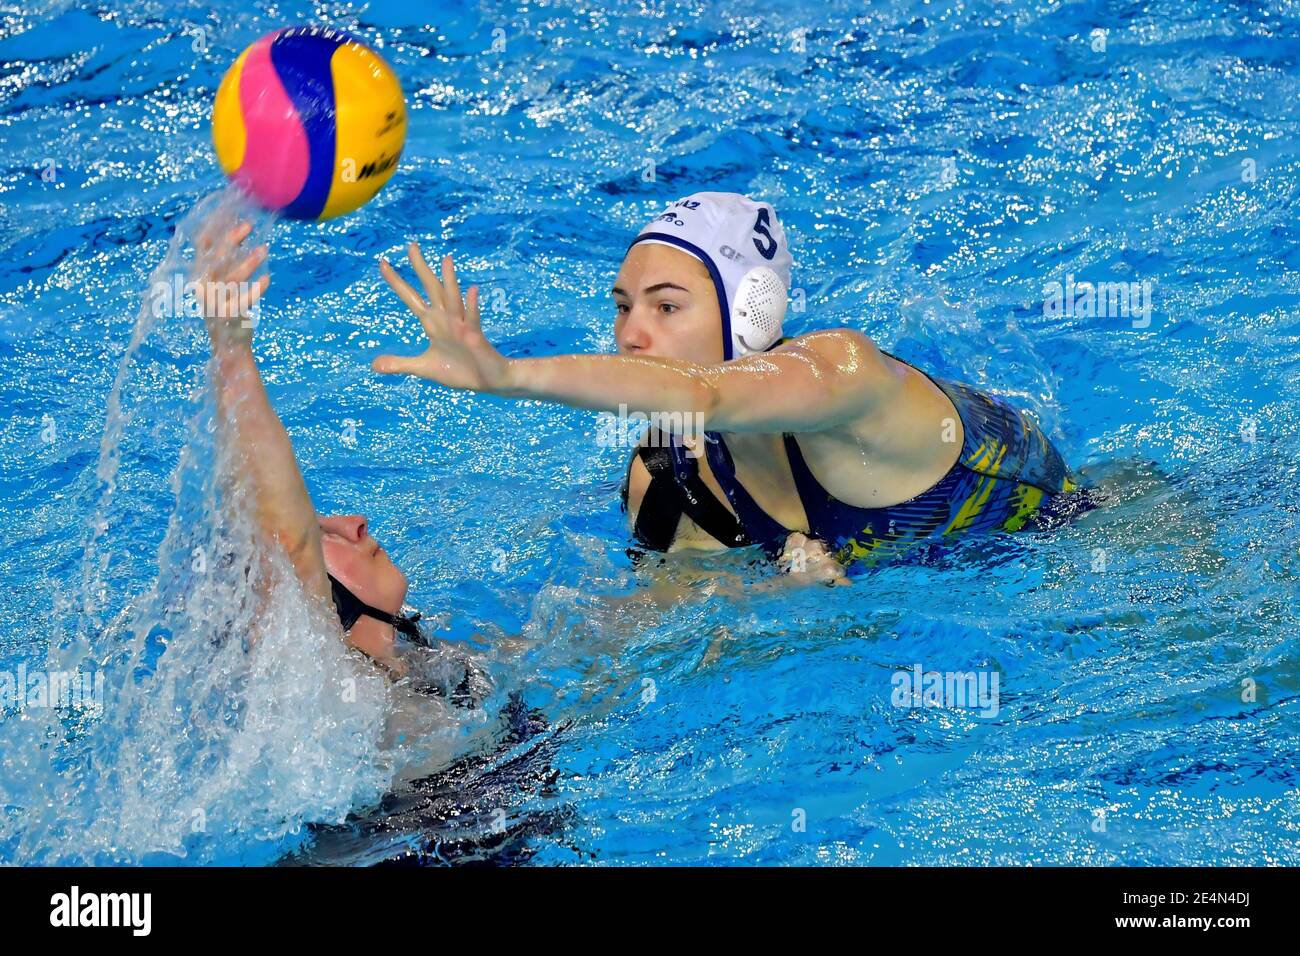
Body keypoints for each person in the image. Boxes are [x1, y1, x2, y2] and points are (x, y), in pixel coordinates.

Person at [372, 192, 1086, 574]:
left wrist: (505, 376)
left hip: (1080, 545)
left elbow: (705, 393)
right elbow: (674, 634)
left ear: (752, 312)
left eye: (667, 305)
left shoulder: (847, 374)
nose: (631, 334)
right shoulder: (671, 476)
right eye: (622, 307)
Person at [194, 219, 484, 702]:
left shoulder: (422, 654)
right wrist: (232, 352)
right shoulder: (332, 680)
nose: (356, 524)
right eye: (323, 534)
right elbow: (282, 525)